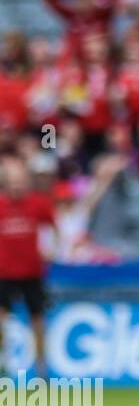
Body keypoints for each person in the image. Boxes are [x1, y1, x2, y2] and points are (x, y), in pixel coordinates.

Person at [0, 156, 59, 379]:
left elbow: (54, 228)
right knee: (1, 320)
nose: (17, 185)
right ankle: (3, 364)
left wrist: (51, 250)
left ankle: (42, 370)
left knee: (37, 321)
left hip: (32, 272)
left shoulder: (38, 203)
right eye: (12, 180)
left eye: (20, 180)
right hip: (4, 272)